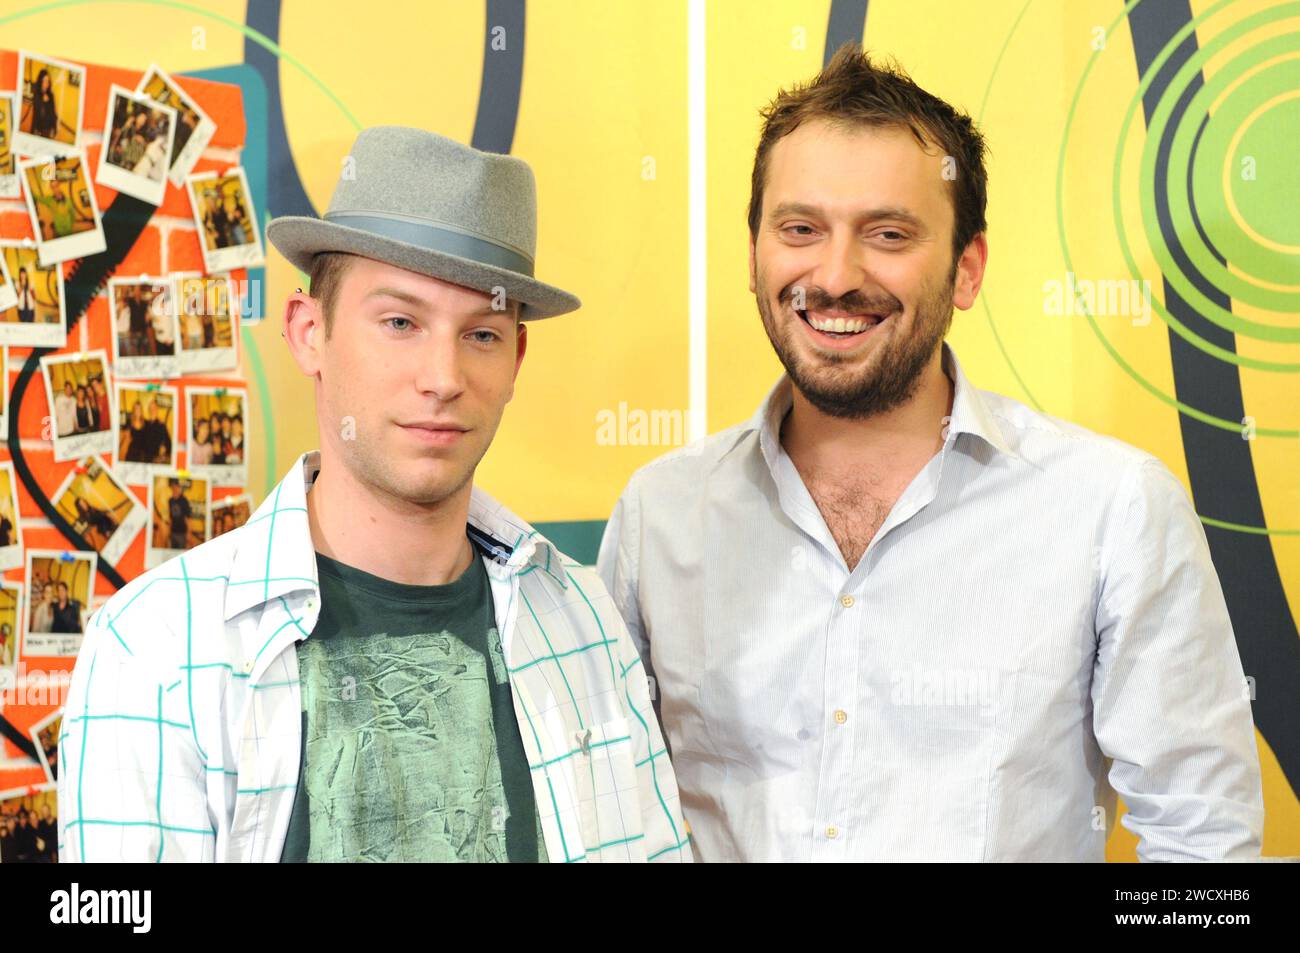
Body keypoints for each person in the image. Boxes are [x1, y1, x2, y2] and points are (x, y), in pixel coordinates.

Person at [597, 46, 1264, 863]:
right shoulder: (658, 515)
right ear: (754, 254)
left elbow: (1205, 848)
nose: (835, 276)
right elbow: (608, 819)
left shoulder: (1113, 509)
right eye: (800, 229)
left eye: (887, 233)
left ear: (967, 268)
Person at [59, 126, 688, 863]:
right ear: (308, 332)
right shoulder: (158, 649)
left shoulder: (584, 623)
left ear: (516, 358)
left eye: (481, 334)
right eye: (400, 322)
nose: (442, 375)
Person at [29, 69, 58, 140]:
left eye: (48, 81)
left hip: (47, 131)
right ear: (40, 81)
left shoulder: (51, 95)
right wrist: (43, 101)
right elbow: (38, 111)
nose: (46, 83)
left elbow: (53, 113)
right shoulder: (36, 94)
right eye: (44, 81)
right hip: (37, 130)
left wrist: (54, 128)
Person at [165, 479, 191, 551]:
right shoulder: (170, 500)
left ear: (179, 487)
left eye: (176, 486)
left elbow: (188, 518)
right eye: (173, 487)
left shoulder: (184, 500)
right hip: (173, 532)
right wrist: (169, 533)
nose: (174, 488)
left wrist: (188, 534)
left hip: (182, 533)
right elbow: (170, 518)